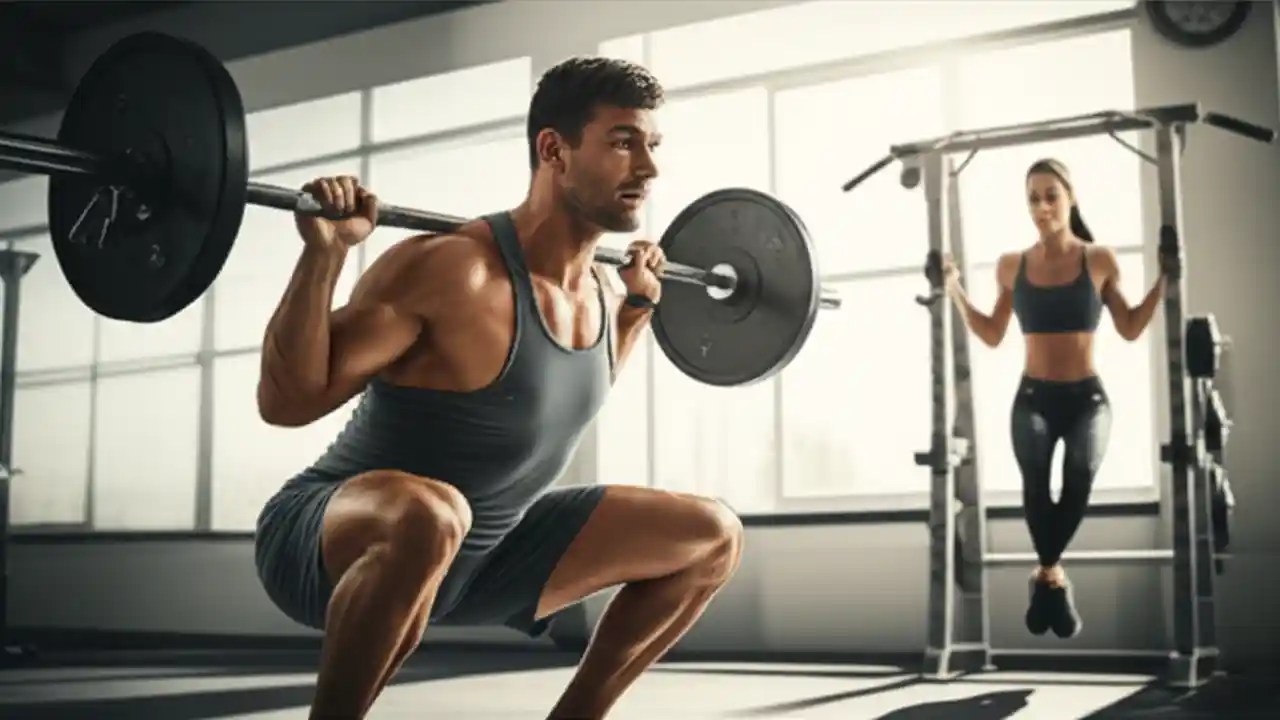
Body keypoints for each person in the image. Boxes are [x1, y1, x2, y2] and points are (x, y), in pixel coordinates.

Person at [252, 56, 744, 720]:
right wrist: (325, 255)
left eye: (652, 145)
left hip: (481, 560)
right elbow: (286, 402)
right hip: (327, 543)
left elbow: (562, 392)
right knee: (433, 512)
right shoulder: (453, 271)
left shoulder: (602, 292)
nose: (649, 170)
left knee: (712, 533)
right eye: (624, 142)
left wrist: (637, 309)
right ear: (554, 150)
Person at [943, 158, 1165, 639]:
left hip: (1088, 399)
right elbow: (991, 333)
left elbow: (1129, 328)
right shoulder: (1011, 266)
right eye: (1033, 198)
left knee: (1080, 477)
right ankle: (1053, 578)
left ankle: (1047, 576)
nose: (1041, 206)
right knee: (1036, 490)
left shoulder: (1099, 259)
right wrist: (955, 289)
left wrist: (1165, 281)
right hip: (1033, 398)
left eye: (1050, 195)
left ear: (1071, 197)